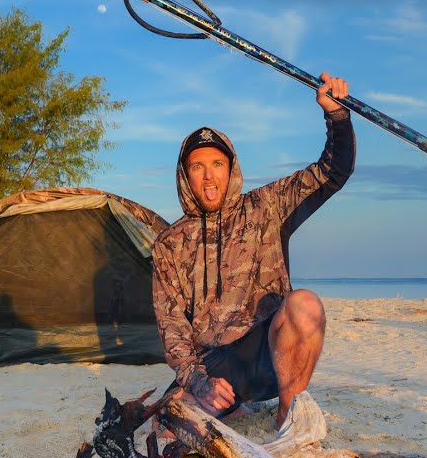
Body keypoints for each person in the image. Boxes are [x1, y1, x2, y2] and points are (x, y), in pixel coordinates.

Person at [151, 73, 355, 429]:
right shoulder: (169, 244)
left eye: (217, 164)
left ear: (231, 169)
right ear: (185, 175)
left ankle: (287, 418)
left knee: (304, 304)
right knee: (167, 429)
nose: (209, 177)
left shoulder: (267, 207)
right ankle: (232, 408)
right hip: (214, 367)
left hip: (270, 354)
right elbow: (173, 330)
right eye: (197, 167)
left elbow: (331, 172)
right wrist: (200, 383)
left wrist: (336, 116)